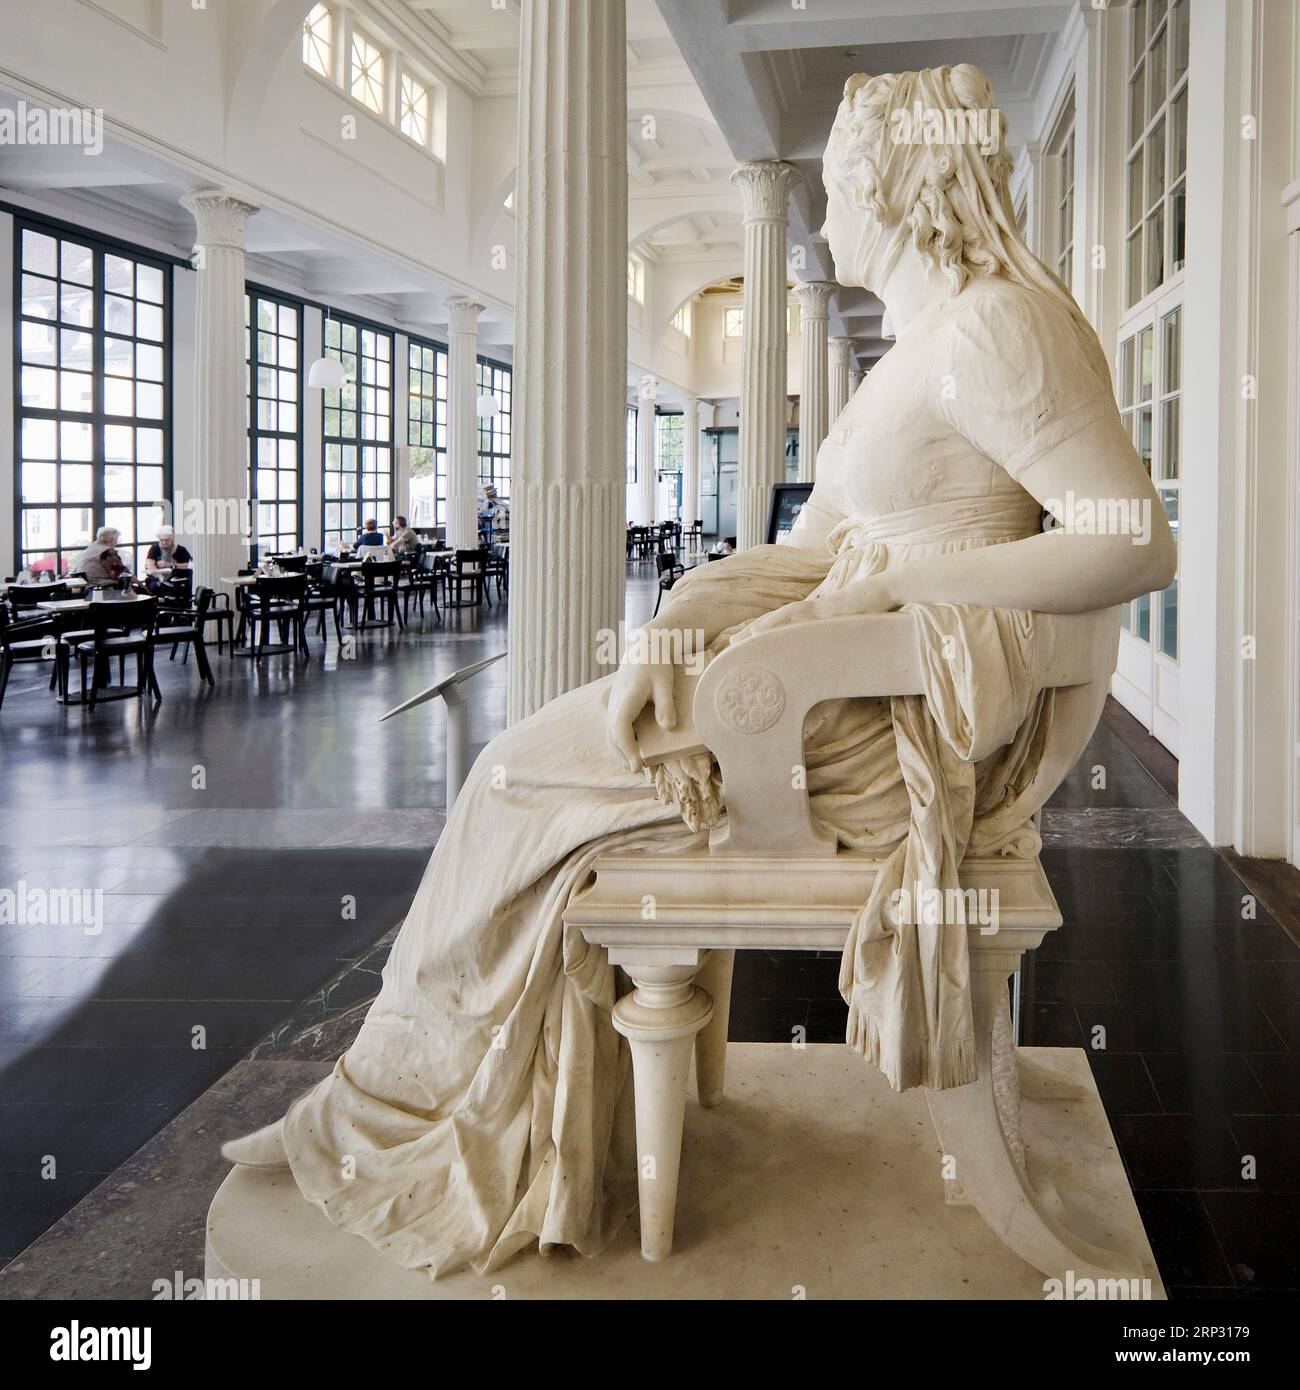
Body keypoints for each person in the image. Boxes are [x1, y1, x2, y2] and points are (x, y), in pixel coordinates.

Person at [222, 65, 1175, 1279]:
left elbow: (1130, 535)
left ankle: (392, 1115)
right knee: (522, 769)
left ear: (896, 182)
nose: (828, 221)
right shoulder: (921, 347)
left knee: (512, 779)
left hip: (866, 724)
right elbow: (808, 547)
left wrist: (911, 589)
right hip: (830, 680)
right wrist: (676, 626)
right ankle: (436, 1102)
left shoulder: (995, 327)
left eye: (839, 190)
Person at [144, 526, 193, 594]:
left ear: (172, 539)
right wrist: (159, 576)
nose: (164, 542)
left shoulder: (181, 550)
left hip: (177, 579)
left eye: (167, 540)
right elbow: (150, 565)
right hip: (158, 579)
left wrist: (170, 565)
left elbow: (189, 565)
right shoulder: (154, 548)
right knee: (155, 586)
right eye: (162, 540)